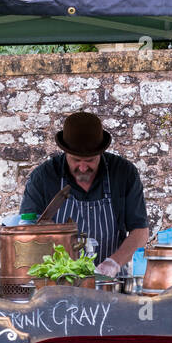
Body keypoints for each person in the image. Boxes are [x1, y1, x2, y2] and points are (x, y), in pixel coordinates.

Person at [21, 111, 149, 275]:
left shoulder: (123, 173)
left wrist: (113, 263)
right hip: (58, 283)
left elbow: (140, 231)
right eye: (75, 160)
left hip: (111, 284)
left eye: (90, 160)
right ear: (65, 152)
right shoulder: (43, 177)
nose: (82, 168)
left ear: (101, 153)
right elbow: (26, 230)